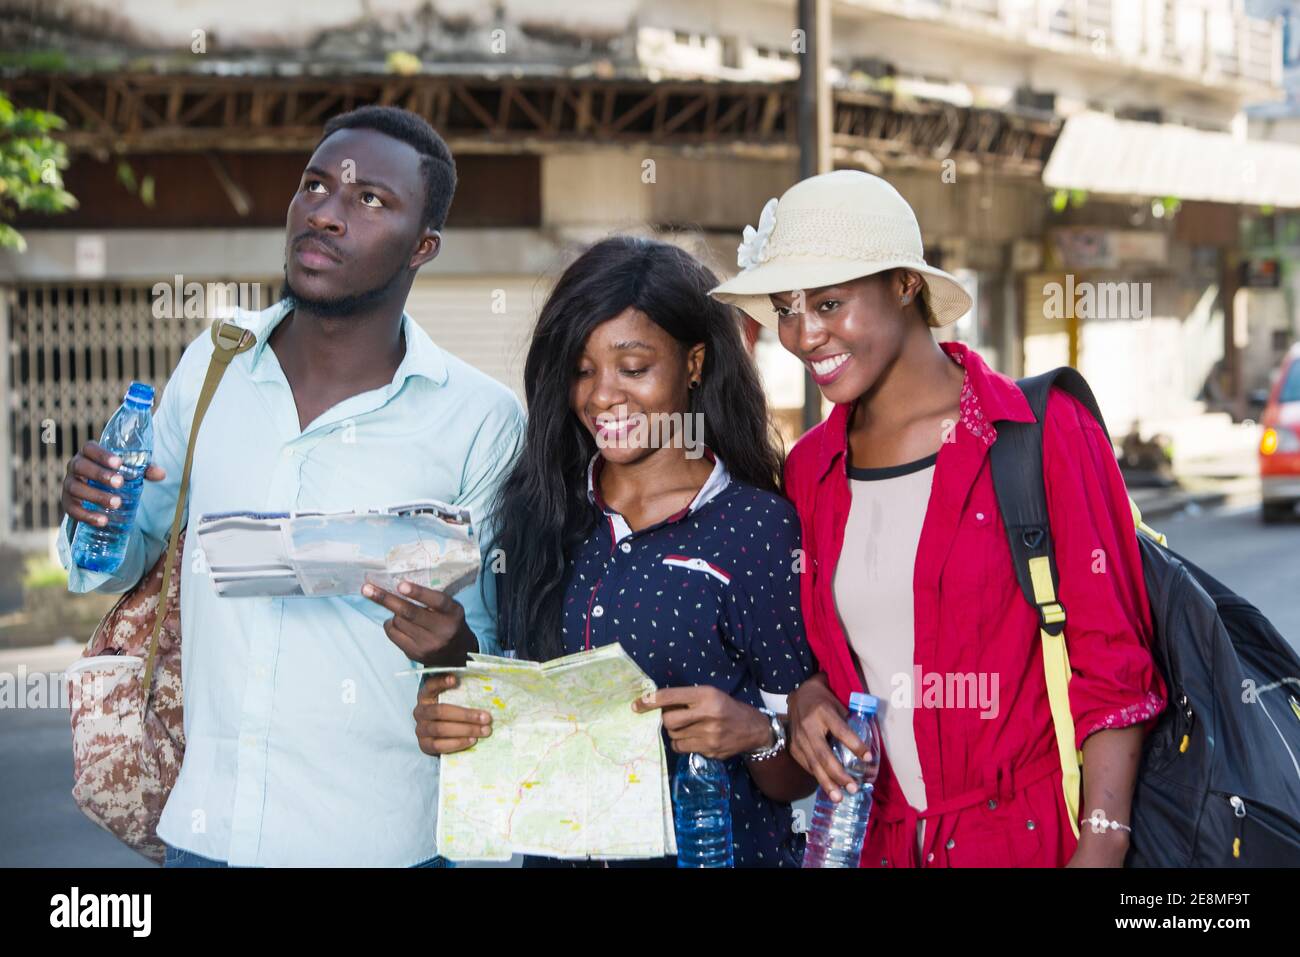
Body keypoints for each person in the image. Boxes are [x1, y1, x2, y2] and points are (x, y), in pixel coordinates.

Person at [58, 106, 525, 867]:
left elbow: (488, 658)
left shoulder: (481, 417)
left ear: (424, 246)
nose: (327, 214)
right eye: (315, 186)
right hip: (207, 835)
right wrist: (93, 514)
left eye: (371, 199)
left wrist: (456, 649)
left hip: (387, 845)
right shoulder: (213, 363)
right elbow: (123, 557)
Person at [708, 170, 1167, 867]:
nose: (804, 335)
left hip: (1033, 840)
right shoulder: (807, 470)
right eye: (786, 308)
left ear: (905, 284)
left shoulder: (1041, 432)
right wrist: (804, 699)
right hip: (874, 844)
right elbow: (819, 663)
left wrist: (1101, 841)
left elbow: (1115, 670)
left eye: (829, 302)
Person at [413, 236, 817, 866]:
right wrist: (454, 713)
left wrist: (757, 736)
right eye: (582, 369)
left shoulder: (758, 529)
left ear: (694, 363)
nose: (602, 395)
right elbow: (520, 710)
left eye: (633, 368)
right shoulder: (540, 513)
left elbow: (800, 776)